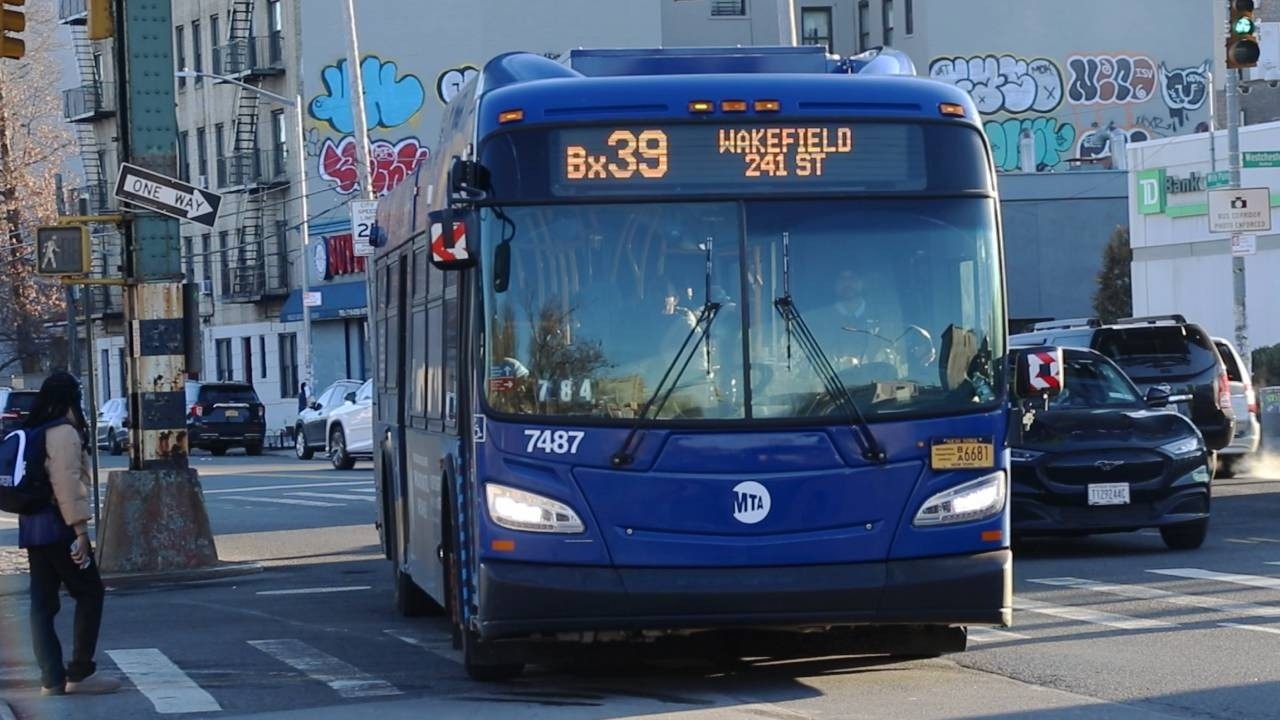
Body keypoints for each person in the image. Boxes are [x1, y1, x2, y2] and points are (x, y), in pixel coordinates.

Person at [17, 372, 120, 696]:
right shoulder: (63, 433)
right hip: (60, 526)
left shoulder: (34, 429)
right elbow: (67, 485)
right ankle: (80, 672)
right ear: (71, 399)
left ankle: (51, 679)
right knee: (90, 592)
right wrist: (80, 532)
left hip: (33, 528)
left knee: (42, 605)